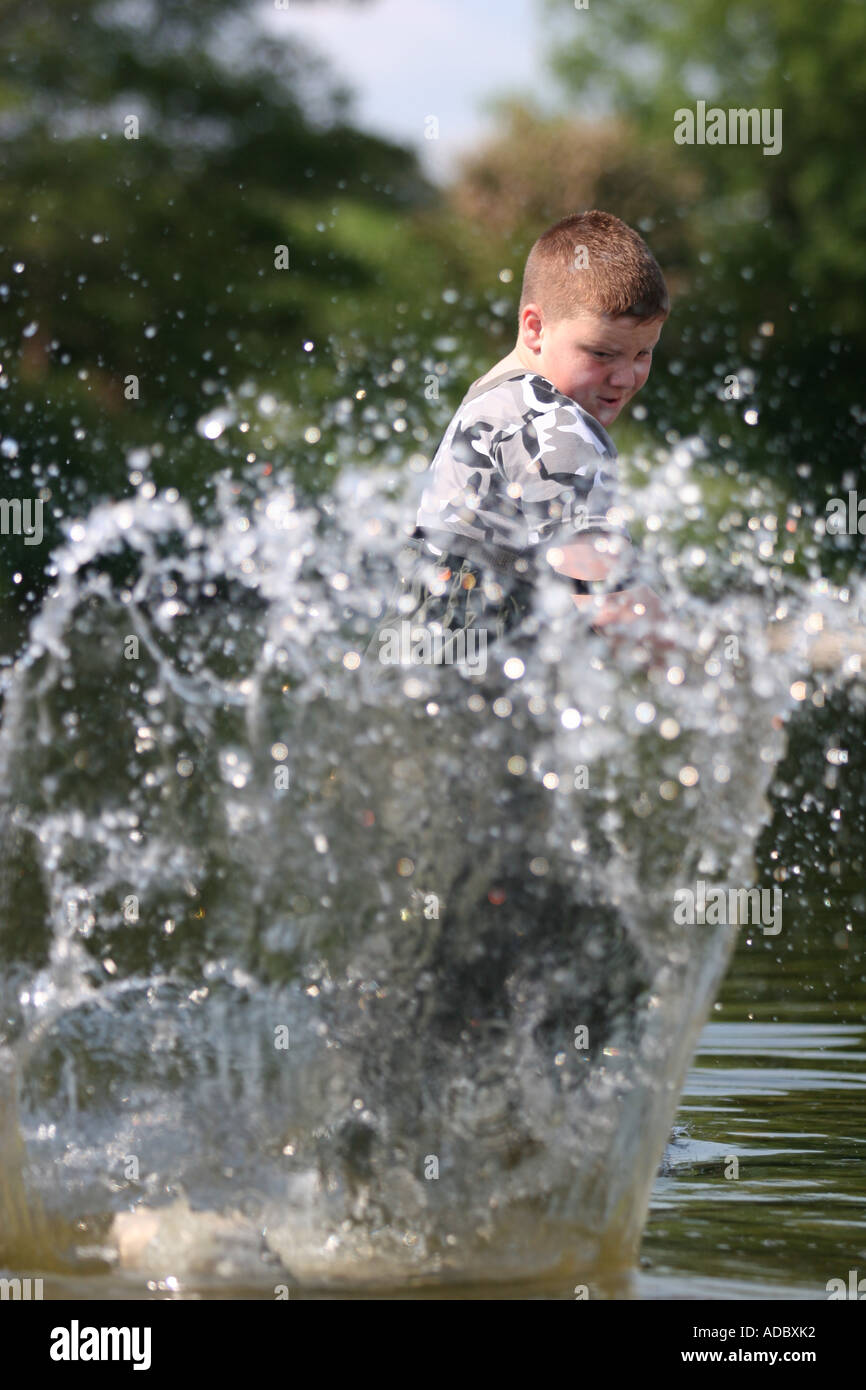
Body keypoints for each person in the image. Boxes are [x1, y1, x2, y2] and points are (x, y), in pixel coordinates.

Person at [370, 210, 670, 670]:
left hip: (412, 665)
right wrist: (716, 672)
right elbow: (613, 603)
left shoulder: (495, 398)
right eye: (602, 353)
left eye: (642, 353)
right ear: (534, 328)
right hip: (470, 688)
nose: (625, 376)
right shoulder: (552, 424)